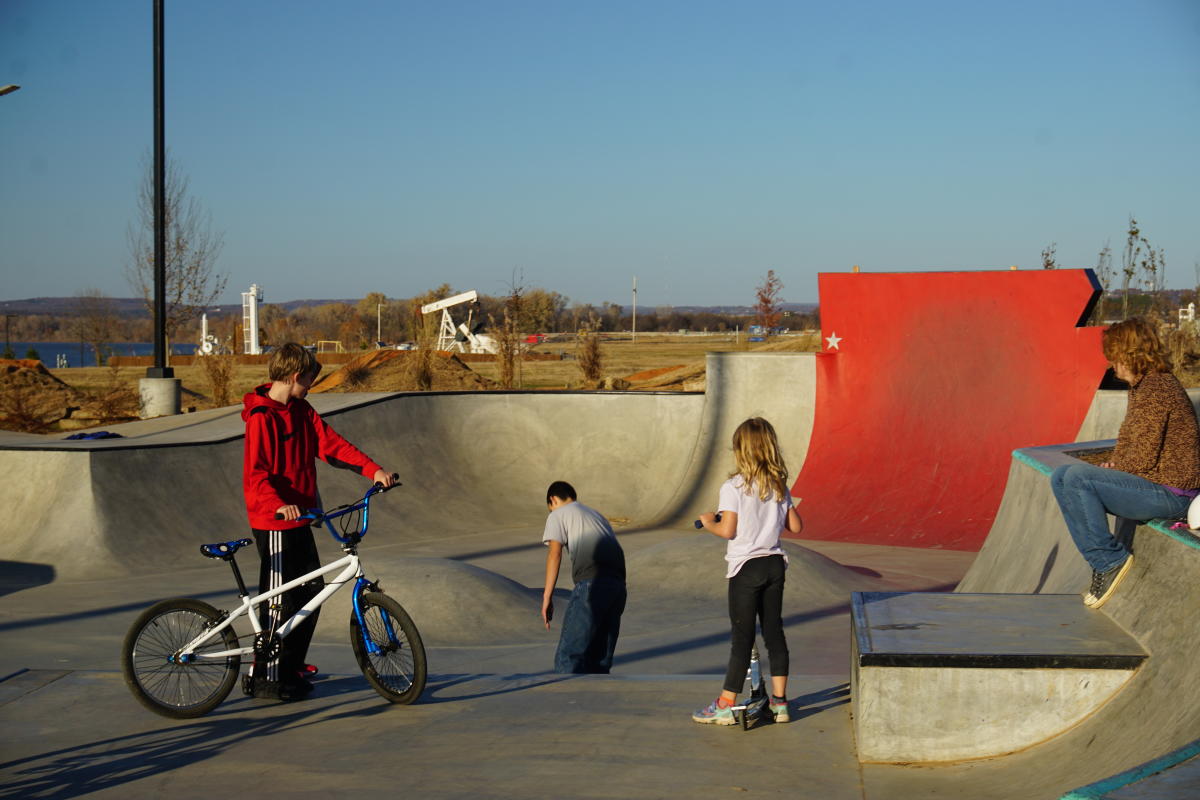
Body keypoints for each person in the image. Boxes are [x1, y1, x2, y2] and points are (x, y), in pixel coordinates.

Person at [242, 342, 395, 700]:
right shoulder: (262, 418)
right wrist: (279, 505)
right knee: (280, 601)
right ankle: (268, 678)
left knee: (311, 593)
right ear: (296, 376)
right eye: (310, 380)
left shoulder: (302, 411)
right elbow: (256, 474)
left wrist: (373, 470)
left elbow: (332, 445)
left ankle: (291, 664)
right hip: (274, 521)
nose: (311, 386)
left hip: (301, 516)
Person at [1051, 317, 1200, 609]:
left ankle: (1109, 561)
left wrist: (1117, 467)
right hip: (1153, 485)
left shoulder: (1158, 388)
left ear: (1129, 355)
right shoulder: (1142, 387)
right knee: (1061, 476)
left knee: (1078, 478)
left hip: (1173, 494)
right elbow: (1131, 444)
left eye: (1114, 356)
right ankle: (1102, 560)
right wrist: (1115, 464)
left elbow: (1143, 455)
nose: (1111, 364)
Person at [694, 417, 803, 725]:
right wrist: (784, 502)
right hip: (774, 564)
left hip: (746, 567)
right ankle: (780, 703)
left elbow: (728, 530)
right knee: (774, 633)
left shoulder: (733, 487)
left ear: (740, 450)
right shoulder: (779, 485)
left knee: (742, 637)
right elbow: (796, 526)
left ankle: (725, 704)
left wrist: (708, 521)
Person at [541, 481, 627, 674]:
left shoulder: (558, 514)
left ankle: (565, 693)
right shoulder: (596, 515)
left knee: (568, 658)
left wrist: (547, 596)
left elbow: (554, 554)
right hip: (618, 588)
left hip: (592, 584)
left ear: (553, 500)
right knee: (599, 663)